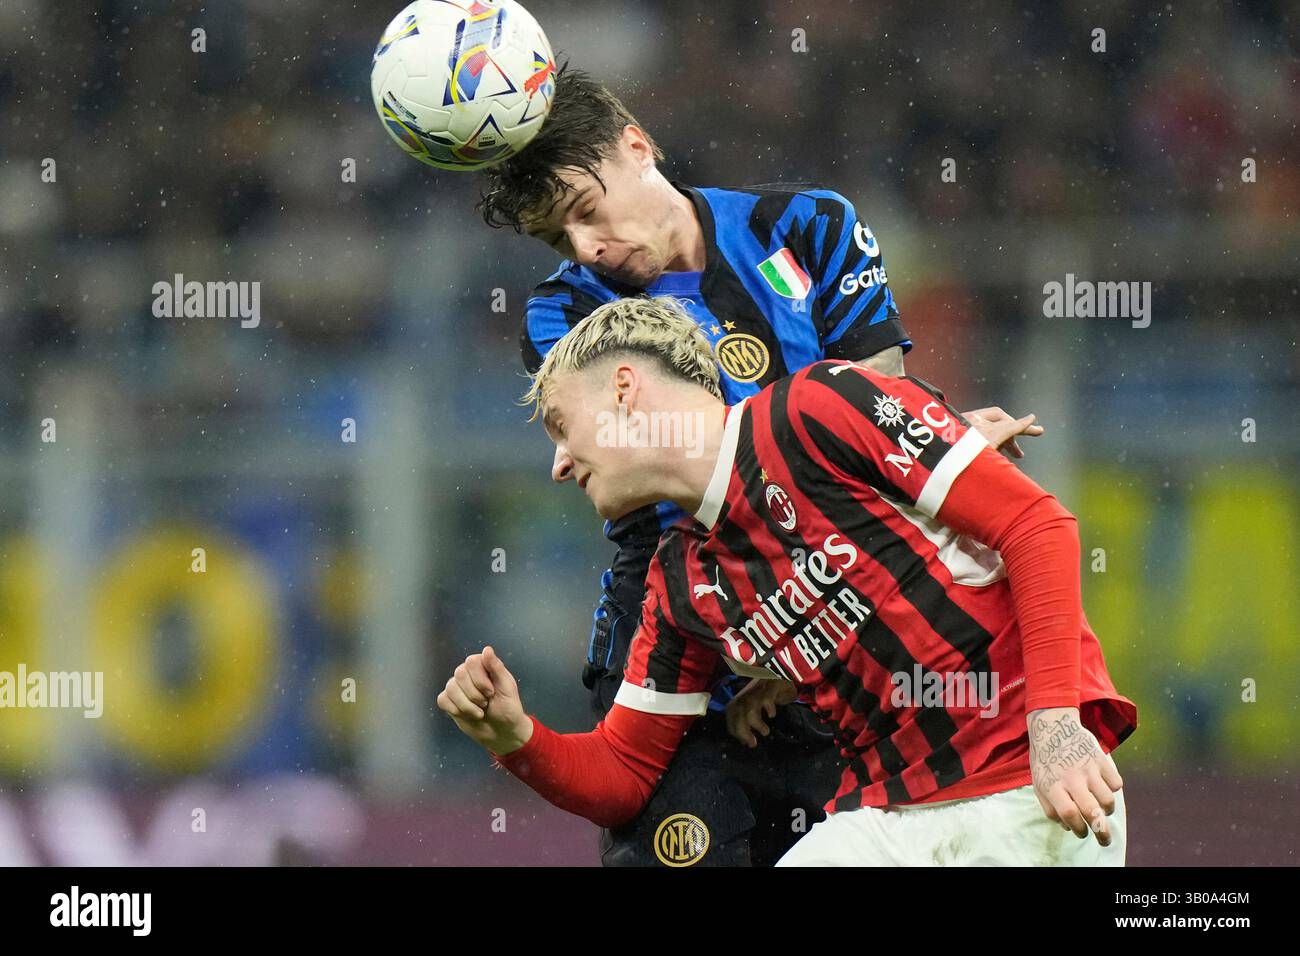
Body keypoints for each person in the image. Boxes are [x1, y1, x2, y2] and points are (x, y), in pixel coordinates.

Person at [475, 65, 1041, 866]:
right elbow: (721, 475)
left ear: (637, 147)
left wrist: (924, 435)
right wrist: (936, 430)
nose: (586, 248)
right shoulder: (561, 312)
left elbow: (872, 429)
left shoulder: (810, 228)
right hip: (683, 624)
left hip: (843, 624)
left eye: (585, 212)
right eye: (558, 237)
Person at [438, 297, 1137, 866]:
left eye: (563, 426)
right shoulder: (681, 582)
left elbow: (1038, 527)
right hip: (881, 821)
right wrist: (514, 737)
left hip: (1025, 789)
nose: (559, 464)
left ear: (624, 388)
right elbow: (623, 772)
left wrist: (1058, 729)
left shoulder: (813, 409)